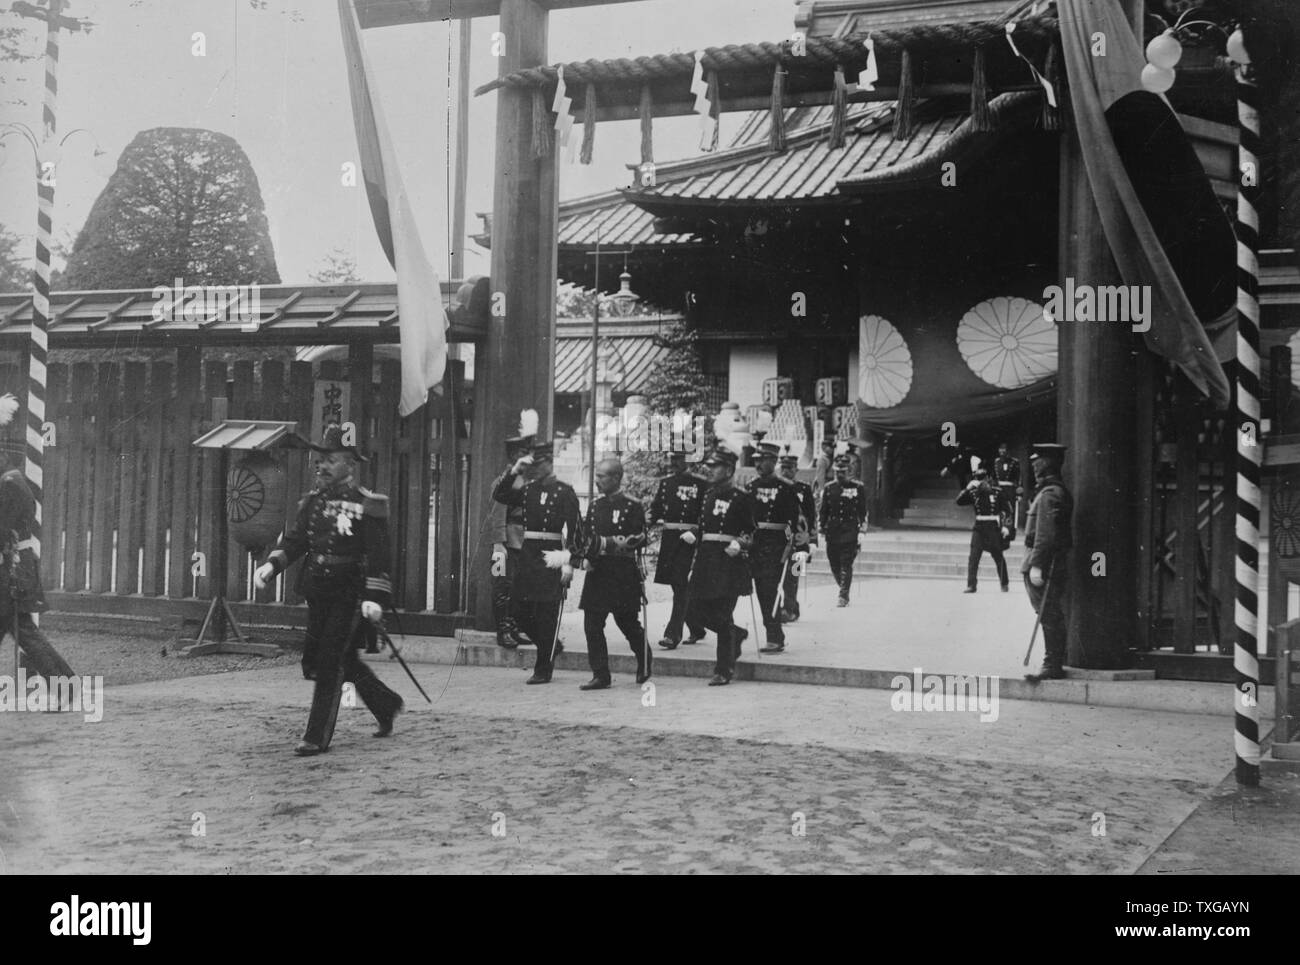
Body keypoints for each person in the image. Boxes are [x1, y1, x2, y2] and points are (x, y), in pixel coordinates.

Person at [254, 425, 403, 756]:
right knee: (335, 660)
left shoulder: (367, 504)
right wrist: (272, 564)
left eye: (331, 460)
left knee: (330, 660)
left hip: (349, 594)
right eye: (319, 460)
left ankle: (316, 736)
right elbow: (295, 540)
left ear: (350, 464)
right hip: (317, 590)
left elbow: (379, 556)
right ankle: (386, 704)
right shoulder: (313, 502)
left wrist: (375, 598)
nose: (322, 466)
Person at [492, 439, 582, 684]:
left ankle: (543, 668)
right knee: (517, 610)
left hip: (554, 554)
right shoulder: (528, 489)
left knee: (547, 613)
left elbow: (576, 532)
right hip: (529, 553)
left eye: (540, 463)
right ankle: (549, 645)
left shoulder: (565, 492)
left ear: (550, 463)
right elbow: (499, 494)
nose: (535, 468)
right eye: (533, 463)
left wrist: (570, 563)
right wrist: (515, 470)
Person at [0, 439, 74, 684]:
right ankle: (67, 685)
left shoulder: (9, 485)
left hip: (12, 570)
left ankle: (65, 686)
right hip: (14, 567)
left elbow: (2, 531)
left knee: (25, 633)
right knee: (24, 630)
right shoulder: (12, 482)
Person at [576, 458, 651, 689]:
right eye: (597, 476)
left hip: (622, 573)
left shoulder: (632, 505)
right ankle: (600, 674)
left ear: (616, 478)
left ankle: (645, 661)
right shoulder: (596, 505)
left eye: (602, 476)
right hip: (598, 572)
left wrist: (606, 543)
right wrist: (587, 556)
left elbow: (639, 538)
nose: (597, 480)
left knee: (627, 623)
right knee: (592, 624)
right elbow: (588, 537)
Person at [685, 447, 754, 686]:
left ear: (729, 470)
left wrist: (740, 542)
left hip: (728, 562)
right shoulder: (708, 495)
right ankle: (737, 634)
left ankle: (723, 670)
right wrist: (694, 534)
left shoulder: (741, 497)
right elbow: (704, 526)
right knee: (691, 609)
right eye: (709, 466)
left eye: (715, 466)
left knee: (723, 614)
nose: (710, 470)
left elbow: (751, 532)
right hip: (706, 561)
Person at [746, 440, 803, 654]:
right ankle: (773, 632)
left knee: (770, 590)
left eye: (762, 461)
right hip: (756, 545)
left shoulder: (786, 488)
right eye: (756, 461)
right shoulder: (751, 486)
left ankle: (774, 636)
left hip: (777, 546)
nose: (758, 465)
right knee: (761, 591)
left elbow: (793, 523)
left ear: (773, 461)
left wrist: (790, 545)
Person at [1022, 443, 1073, 682]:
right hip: (1046, 561)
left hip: (1045, 563)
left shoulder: (1050, 494)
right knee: (1048, 614)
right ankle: (1053, 662)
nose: (1034, 467)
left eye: (1037, 463)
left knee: (1049, 614)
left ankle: (1052, 665)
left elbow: (1045, 534)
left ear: (1046, 465)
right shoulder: (1050, 492)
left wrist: (1036, 565)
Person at [648, 450, 707, 650]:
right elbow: (655, 511)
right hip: (671, 540)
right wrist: (641, 528)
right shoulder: (666, 483)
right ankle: (697, 628)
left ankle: (673, 634)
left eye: (679, 459)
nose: (674, 462)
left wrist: (696, 532)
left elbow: (706, 515)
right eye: (672, 458)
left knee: (681, 586)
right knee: (678, 587)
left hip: (689, 542)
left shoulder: (700, 484)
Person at [489, 411, 537, 649]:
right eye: (521, 453)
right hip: (505, 543)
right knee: (502, 587)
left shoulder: (527, 482)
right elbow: (497, 513)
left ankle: (515, 627)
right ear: (513, 456)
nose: (526, 457)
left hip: (521, 541)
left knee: (517, 587)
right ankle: (503, 631)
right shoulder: (504, 481)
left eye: (527, 452)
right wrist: (499, 543)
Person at [818, 453, 869, 607]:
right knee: (834, 563)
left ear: (849, 472)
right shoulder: (829, 488)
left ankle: (843, 595)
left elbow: (863, 511)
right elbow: (823, 511)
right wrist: (821, 528)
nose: (839, 474)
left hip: (850, 531)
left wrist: (862, 531)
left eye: (843, 472)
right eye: (837, 472)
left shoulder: (858, 488)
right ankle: (844, 587)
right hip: (832, 532)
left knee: (846, 563)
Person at [956, 467, 1011, 593]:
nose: (981, 481)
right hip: (979, 527)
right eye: (978, 479)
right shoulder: (974, 493)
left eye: (983, 478)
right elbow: (959, 501)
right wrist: (968, 488)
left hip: (993, 527)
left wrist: (1006, 527)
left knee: (998, 556)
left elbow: (1008, 511)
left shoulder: (997, 492)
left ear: (988, 478)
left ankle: (1004, 583)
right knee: (973, 557)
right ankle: (971, 585)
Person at [778, 450, 817, 622]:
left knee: (793, 577)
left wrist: (813, 541)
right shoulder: (777, 487)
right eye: (783, 468)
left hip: (801, 541)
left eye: (790, 468)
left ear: (796, 470)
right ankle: (789, 606)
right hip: (780, 541)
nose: (786, 471)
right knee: (778, 577)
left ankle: (788, 609)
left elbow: (811, 516)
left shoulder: (804, 489)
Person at [991, 441, 1022, 539]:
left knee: (1010, 510)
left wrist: (1019, 493)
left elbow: (1019, 478)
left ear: (1008, 451)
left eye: (1004, 449)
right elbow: (993, 477)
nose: (1002, 451)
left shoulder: (1014, 462)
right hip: (999, 488)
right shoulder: (996, 462)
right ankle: (1000, 530)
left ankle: (1009, 531)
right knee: (999, 510)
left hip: (1010, 489)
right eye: (1000, 449)